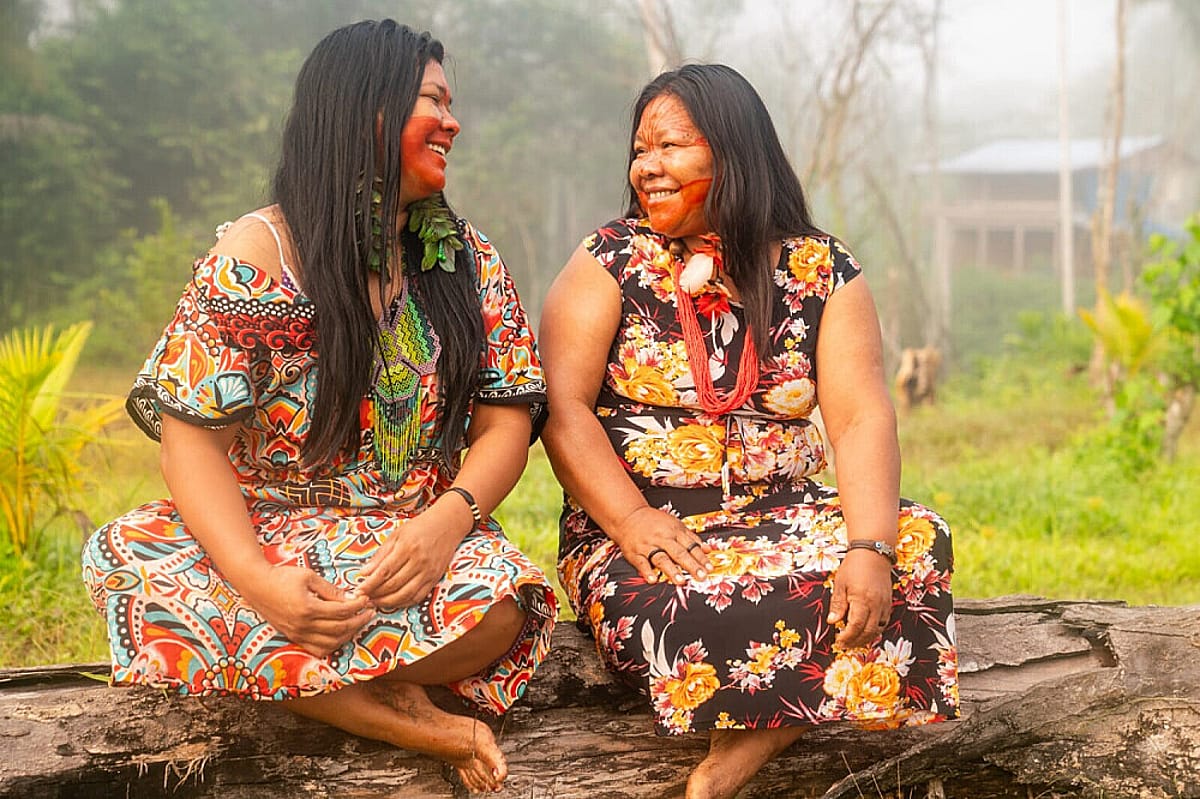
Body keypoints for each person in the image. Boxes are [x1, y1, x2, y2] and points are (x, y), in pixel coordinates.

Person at [81, 20, 556, 794]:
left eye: (450, 101)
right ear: (367, 109)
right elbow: (191, 444)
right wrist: (261, 582)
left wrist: (448, 521)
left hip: (406, 541)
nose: (453, 122)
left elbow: (506, 419)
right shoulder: (258, 254)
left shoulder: (469, 262)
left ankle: (314, 685)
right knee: (139, 574)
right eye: (432, 100)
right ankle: (400, 713)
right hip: (265, 535)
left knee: (503, 608)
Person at [540, 64, 957, 799]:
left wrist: (866, 547)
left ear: (732, 152)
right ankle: (779, 703)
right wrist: (632, 520)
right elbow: (562, 410)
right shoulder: (607, 261)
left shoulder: (823, 271)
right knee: (682, 606)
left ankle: (728, 766)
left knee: (913, 542)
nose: (648, 167)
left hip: (789, 513)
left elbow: (860, 415)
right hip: (642, 525)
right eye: (640, 149)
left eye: (670, 145)